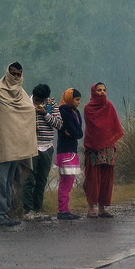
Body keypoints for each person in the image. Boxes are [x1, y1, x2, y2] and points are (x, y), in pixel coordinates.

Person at [0, 62, 37, 227]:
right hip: (4, 144)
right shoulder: (0, 91)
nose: (16, 77)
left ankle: (4, 213)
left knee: (9, 180)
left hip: (17, 145)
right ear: (8, 73)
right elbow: (7, 116)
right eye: (13, 74)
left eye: (19, 74)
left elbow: (28, 110)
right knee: (0, 179)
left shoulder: (21, 92)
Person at [82, 82, 124, 218]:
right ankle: (91, 208)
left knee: (106, 179)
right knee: (93, 179)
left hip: (108, 149)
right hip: (94, 149)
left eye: (104, 90)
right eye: (99, 90)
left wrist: (108, 140)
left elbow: (113, 126)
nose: (102, 92)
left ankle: (102, 208)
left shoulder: (109, 107)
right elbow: (94, 127)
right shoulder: (88, 109)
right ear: (94, 92)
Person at [20, 83, 62, 221]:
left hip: (47, 147)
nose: (39, 103)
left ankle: (37, 210)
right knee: (28, 179)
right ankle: (28, 210)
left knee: (41, 180)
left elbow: (59, 124)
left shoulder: (51, 104)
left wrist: (45, 113)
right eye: (37, 100)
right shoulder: (25, 101)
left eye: (41, 101)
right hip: (30, 147)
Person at [54, 88, 84, 220]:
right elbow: (73, 130)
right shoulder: (64, 111)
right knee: (66, 182)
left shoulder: (75, 112)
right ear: (69, 99)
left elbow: (78, 133)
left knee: (68, 182)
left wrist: (74, 132)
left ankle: (65, 209)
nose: (78, 102)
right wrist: (73, 132)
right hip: (66, 150)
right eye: (76, 99)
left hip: (71, 150)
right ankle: (63, 210)